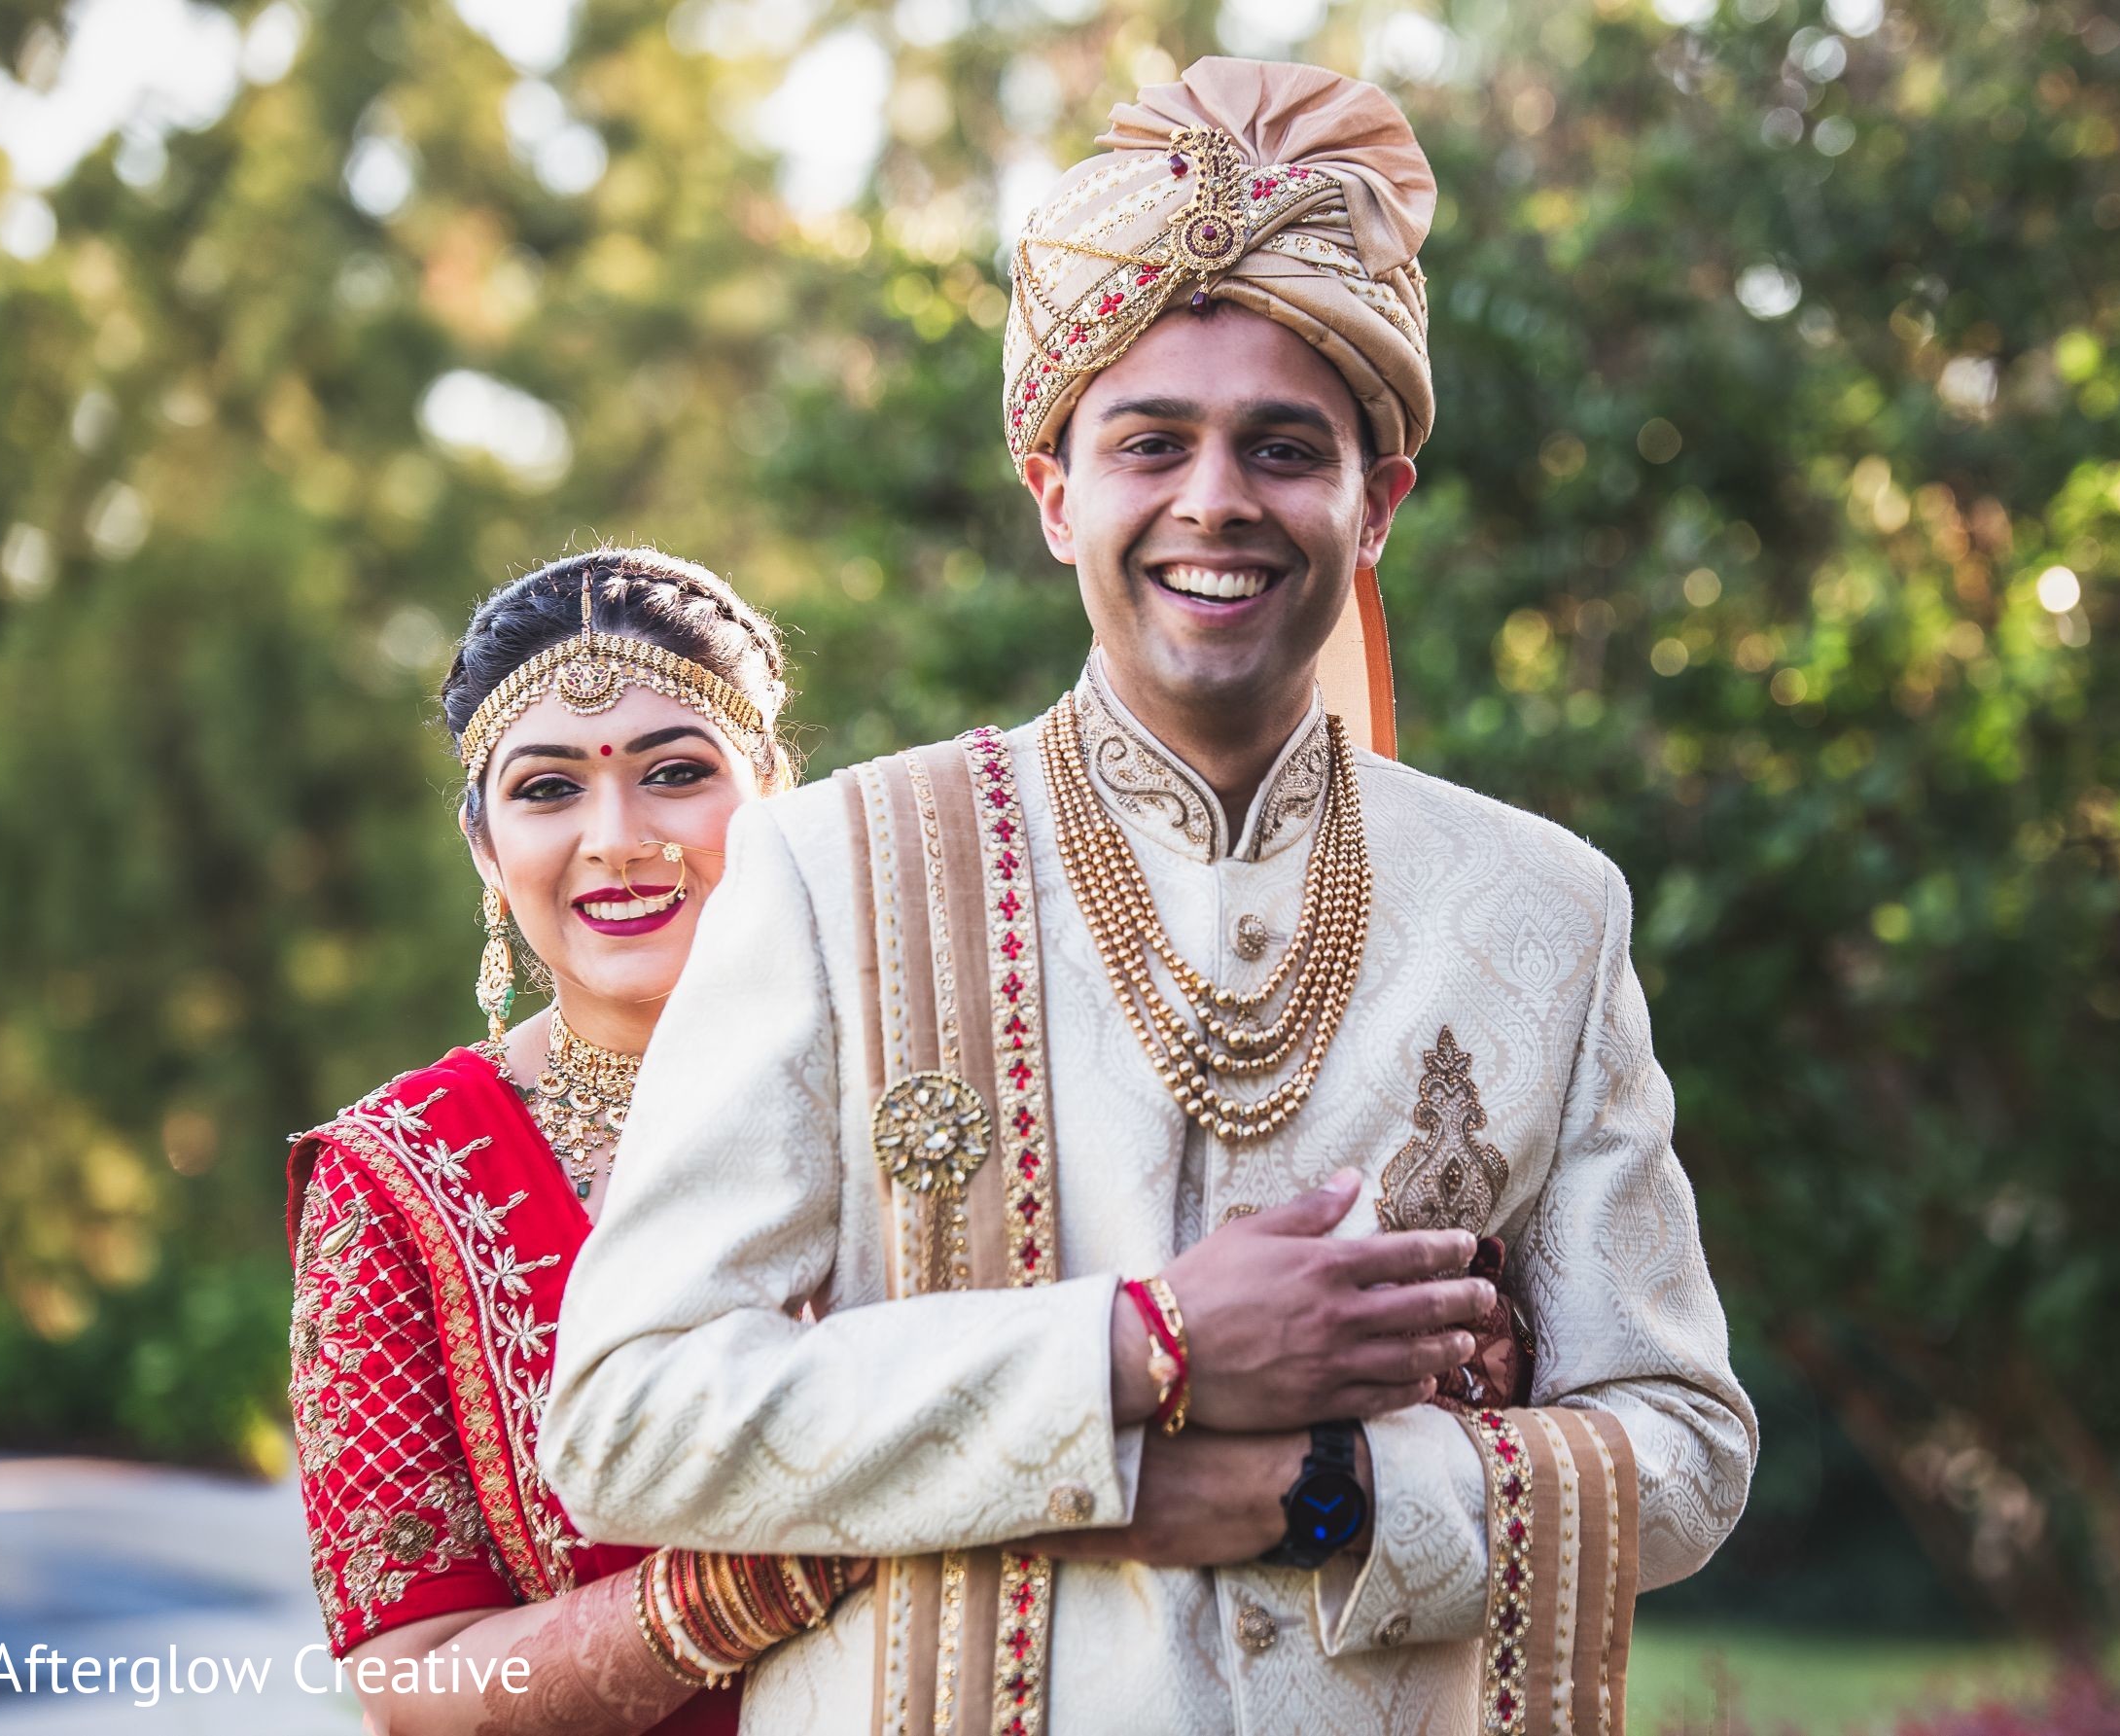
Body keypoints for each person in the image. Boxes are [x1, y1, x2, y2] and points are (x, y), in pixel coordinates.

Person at [541, 58, 1756, 1736]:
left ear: (1374, 504)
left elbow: (1683, 1444)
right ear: (1055, 493)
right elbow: (626, 1418)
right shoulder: (832, 867)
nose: (1214, 502)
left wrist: (1327, 1498)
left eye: (1282, 447)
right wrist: (1142, 1351)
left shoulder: (1538, 911)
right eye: (1149, 442)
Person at [283, 549, 860, 1735]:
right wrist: (806, 1564)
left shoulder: (926, 1077)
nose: (617, 836)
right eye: (548, 790)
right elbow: (414, 1678)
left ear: (776, 798)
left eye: (677, 773)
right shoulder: (396, 1181)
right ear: (487, 850)